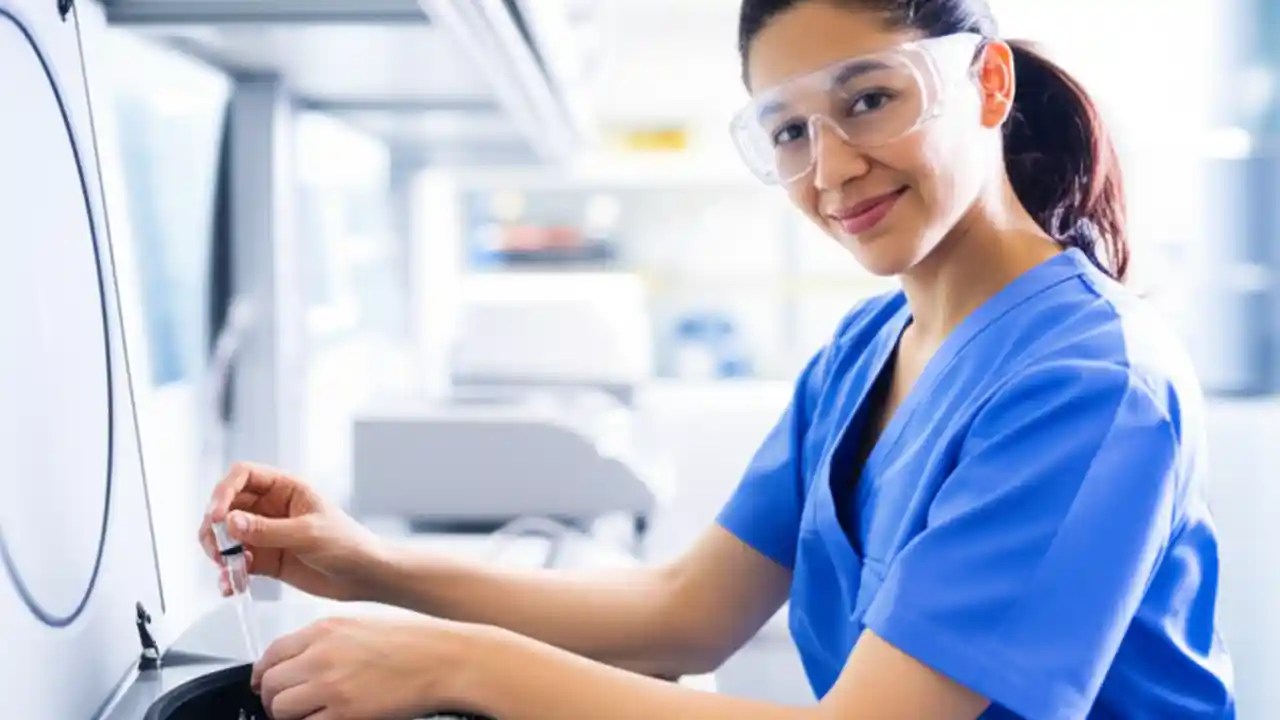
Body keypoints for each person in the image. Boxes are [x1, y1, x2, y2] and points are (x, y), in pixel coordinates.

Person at [200, 0, 1236, 717]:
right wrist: (368, 567)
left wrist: (453, 665)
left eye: (869, 99)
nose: (829, 167)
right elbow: (681, 615)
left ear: (987, 82)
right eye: (787, 130)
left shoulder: (1091, 386)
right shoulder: (865, 351)